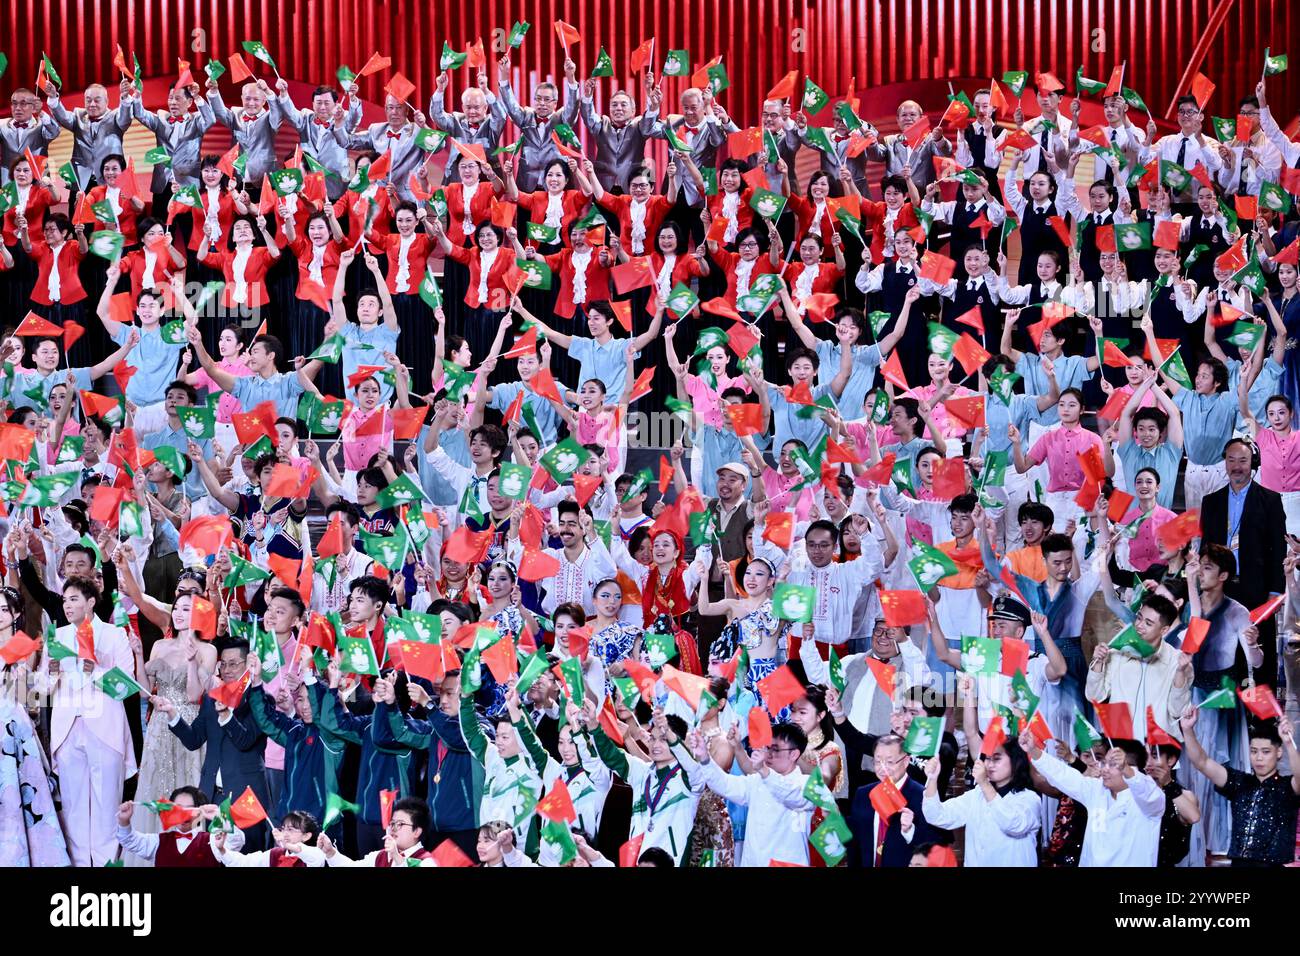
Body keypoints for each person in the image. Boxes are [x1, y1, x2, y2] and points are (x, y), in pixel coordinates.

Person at [35, 577, 138, 866]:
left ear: (91, 602)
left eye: (74, 599)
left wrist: (97, 670)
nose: (67, 605)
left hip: (104, 728)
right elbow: (41, 690)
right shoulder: (58, 637)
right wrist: (52, 672)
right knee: (73, 805)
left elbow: (127, 684)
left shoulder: (113, 635)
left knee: (107, 804)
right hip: (68, 729)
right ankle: (79, 863)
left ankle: (107, 861)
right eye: (65, 600)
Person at [159, 636, 271, 852]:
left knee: (247, 857)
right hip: (212, 796)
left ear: (249, 665)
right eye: (223, 664)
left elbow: (245, 740)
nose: (226, 670)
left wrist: (227, 716)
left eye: (233, 664)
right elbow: (193, 740)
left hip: (246, 797)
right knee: (213, 854)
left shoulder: (260, 701)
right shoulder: (212, 698)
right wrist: (173, 713)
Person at [0, 585, 71, 866]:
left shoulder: (22, 645)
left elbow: (29, 695)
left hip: (14, 727)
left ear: (17, 613)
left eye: (5, 609)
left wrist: (52, 672)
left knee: (20, 794)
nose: (0, 614)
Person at [1021, 730, 1165, 866]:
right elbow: (1063, 774)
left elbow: (1149, 794)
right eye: (1104, 763)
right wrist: (1034, 751)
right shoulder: (1096, 790)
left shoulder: (1148, 799)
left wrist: (1126, 769)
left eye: (1113, 764)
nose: (1104, 769)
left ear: (1132, 768)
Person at [681, 722, 814, 867]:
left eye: (775, 749)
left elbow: (791, 796)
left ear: (794, 754)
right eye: (767, 747)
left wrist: (763, 771)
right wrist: (705, 758)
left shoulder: (807, 784)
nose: (767, 754)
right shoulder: (758, 781)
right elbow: (725, 784)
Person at [1181, 708, 1300, 867]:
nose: (1258, 758)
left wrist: (1289, 744)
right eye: (1253, 751)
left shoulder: (1286, 786)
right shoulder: (1240, 782)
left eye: (1265, 752)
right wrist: (1188, 730)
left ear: (1278, 752)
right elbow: (1202, 762)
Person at [920, 739, 1040, 866]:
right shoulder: (976, 795)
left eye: (996, 759)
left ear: (1016, 762)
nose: (989, 765)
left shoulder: (1029, 799)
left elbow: (1013, 825)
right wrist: (932, 779)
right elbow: (937, 816)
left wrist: (984, 783)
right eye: (987, 758)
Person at [846, 733, 936, 867]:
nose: (883, 768)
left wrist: (910, 831)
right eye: (877, 761)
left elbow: (933, 848)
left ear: (906, 761)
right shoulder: (863, 794)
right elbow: (854, 843)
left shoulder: (923, 796)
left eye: (889, 762)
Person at [319, 796, 436, 866]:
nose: (393, 828)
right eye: (393, 823)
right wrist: (330, 852)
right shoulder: (380, 856)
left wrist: (397, 857)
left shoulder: (427, 861)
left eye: (400, 824)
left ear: (417, 832)